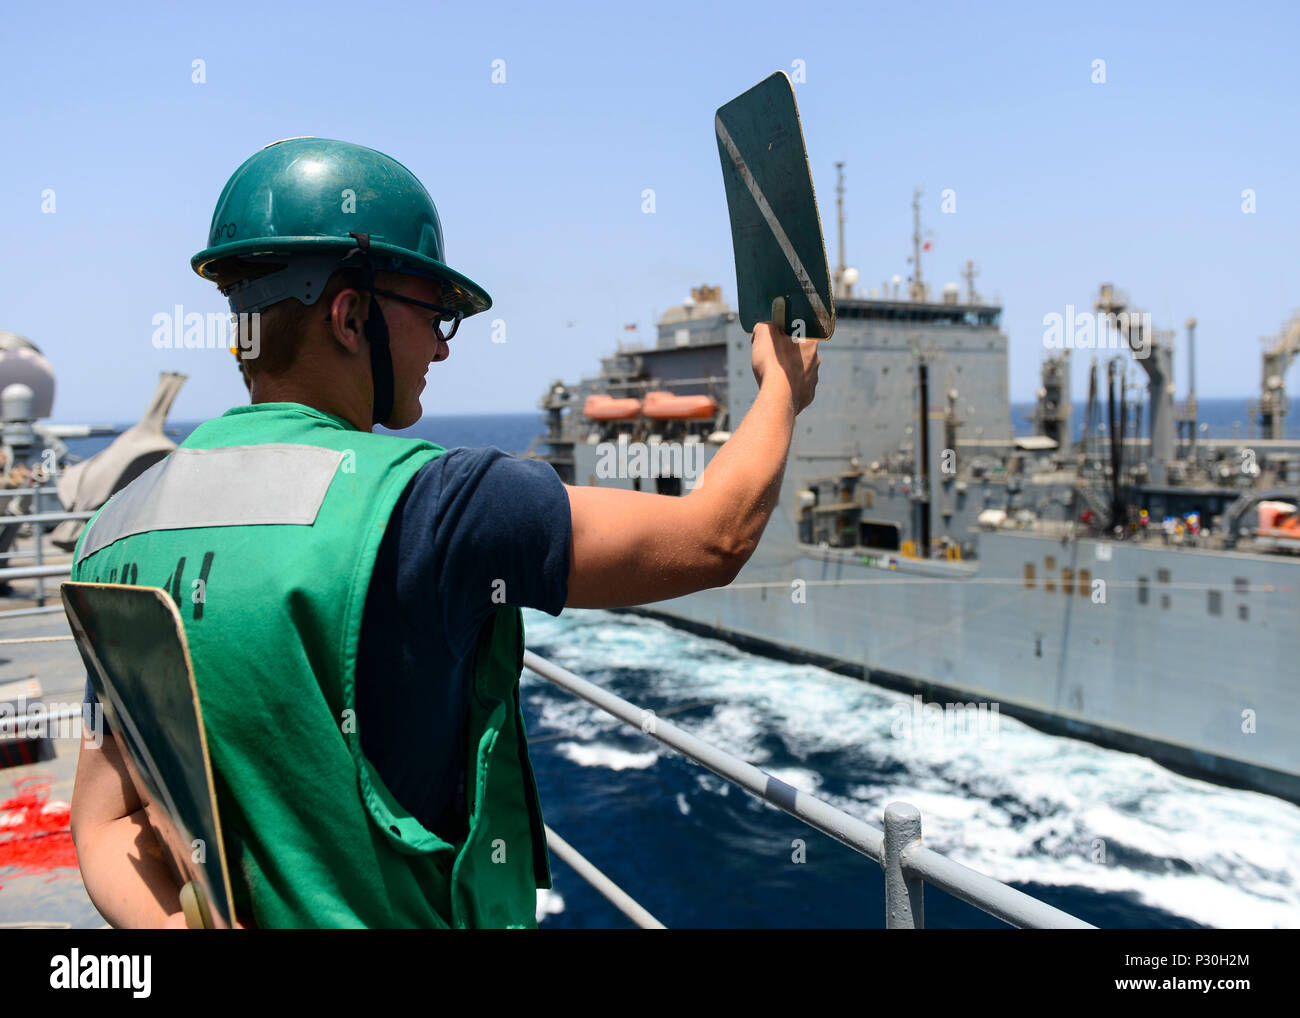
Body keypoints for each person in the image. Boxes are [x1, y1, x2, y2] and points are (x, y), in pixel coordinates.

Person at [68, 137, 819, 928]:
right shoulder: (442, 502)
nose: (441, 346)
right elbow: (714, 537)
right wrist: (780, 390)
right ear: (351, 316)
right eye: (435, 316)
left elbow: (107, 824)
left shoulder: (113, 528)